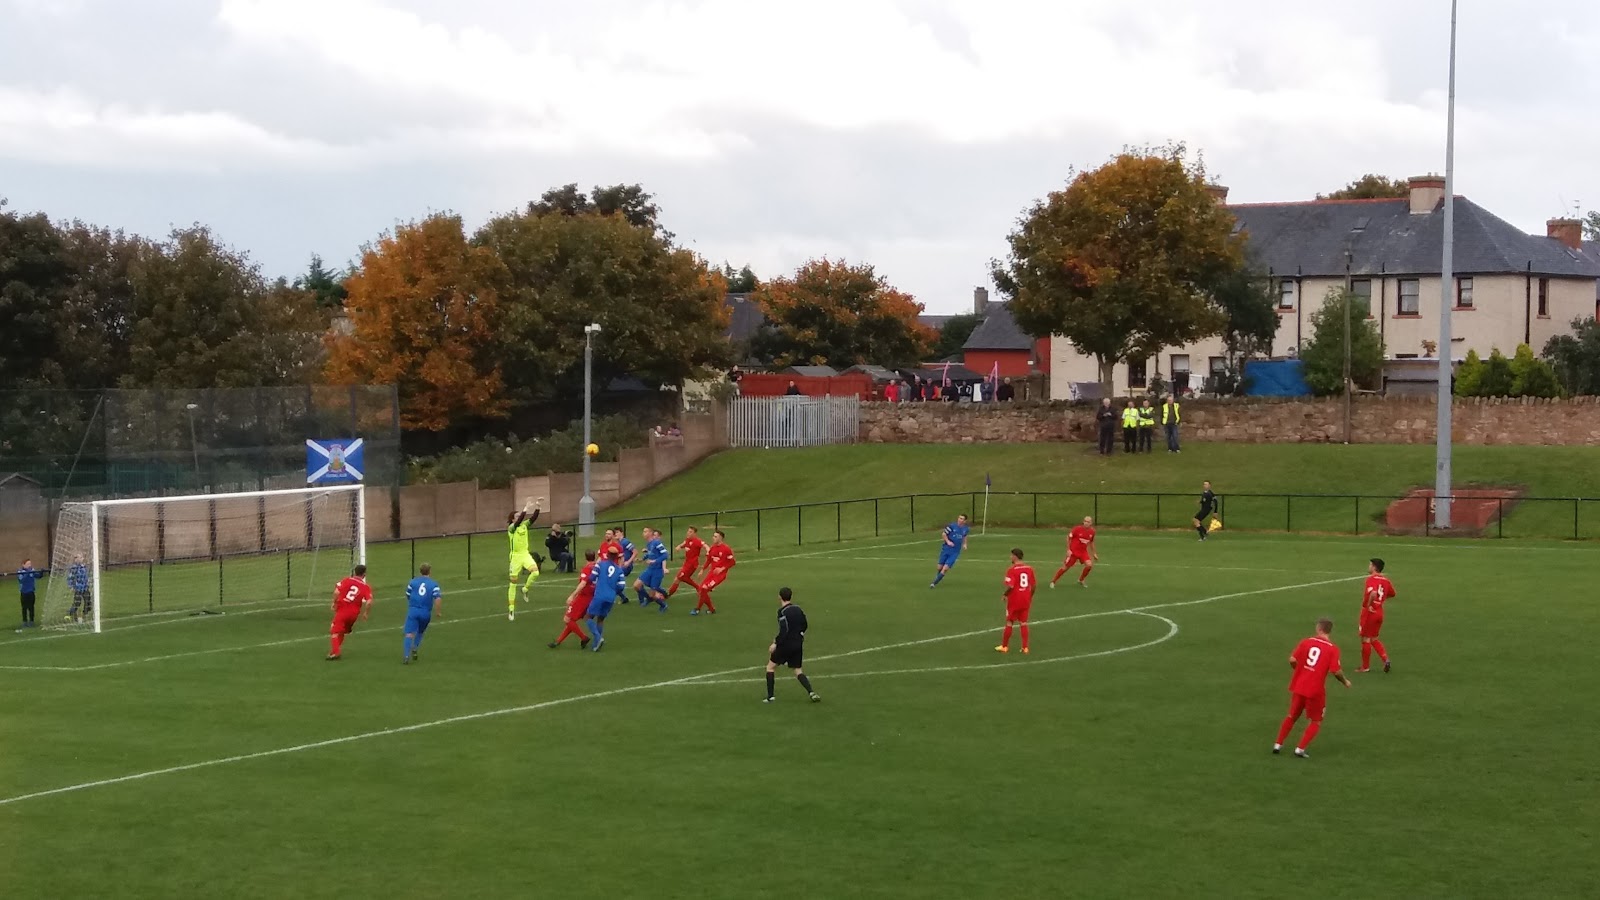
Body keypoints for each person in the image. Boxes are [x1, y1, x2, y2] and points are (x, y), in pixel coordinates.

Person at [1274, 617, 1353, 758]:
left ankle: (1278, 744)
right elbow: (1336, 671)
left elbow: (1292, 659)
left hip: (1299, 686)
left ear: (1319, 628)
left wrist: (1299, 670)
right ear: (1329, 631)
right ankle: (1300, 749)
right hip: (1315, 690)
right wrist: (1345, 681)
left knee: (1291, 716)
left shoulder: (1306, 642)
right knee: (1316, 721)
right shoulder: (1333, 649)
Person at [765, 587, 820, 703]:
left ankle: (770, 697)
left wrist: (775, 643)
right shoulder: (798, 609)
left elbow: (784, 630)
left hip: (786, 644)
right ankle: (811, 692)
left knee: (770, 667)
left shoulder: (782, 612)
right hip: (798, 643)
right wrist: (800, 633)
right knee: (798, 670)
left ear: (779, 597)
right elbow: (805, 624)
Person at [505, 496, 544, 621]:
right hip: (515, 557)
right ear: (512, 519)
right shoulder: (511, 528)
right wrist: (525, 508)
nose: (520, 518)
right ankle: (511, 609)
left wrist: (537, 506)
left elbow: (533, 519)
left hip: (525, 554)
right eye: (516, 516)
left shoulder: (524, 525)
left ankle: (525, 588)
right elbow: (518, 521)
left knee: (536, 572)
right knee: (513, 583)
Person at [549, 551, 595, 649]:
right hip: (592, 597)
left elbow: (583, 584)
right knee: (572, 621)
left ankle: (584, 637)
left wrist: (572, 595)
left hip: (583, 597)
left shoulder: (587, 569)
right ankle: (558, 641)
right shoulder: (597, 567)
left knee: (567, 619)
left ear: (585, 558)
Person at [326, 564, 373, 660]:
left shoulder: (346, 580)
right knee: (342, 631)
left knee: (334, 630)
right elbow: (369, 602)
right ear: (364, 575)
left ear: (354, 572)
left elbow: (336, 592)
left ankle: (336, 652)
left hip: (343, 610)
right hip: (354, 614)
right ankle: (334, 650)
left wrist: (334, 602)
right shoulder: (366, 587)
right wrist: (366, 613)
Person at [995, 548, 1037, 654]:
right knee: (1023, 622)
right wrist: (1029, 596)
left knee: (1009, 622)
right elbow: (1034, 585)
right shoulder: (1029, 568)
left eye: (1011, 555)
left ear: (1015, 556)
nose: (1010, 557)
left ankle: (1004, 646)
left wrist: (1005, 594)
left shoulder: (1012, 570)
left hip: (1015, 599)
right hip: (1026, 599)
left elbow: (1011, 585)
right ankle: (1025, 647)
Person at [586, 549, 628, 651]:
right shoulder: (619, 569)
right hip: (610, 597)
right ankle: (596, 645)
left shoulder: (600, 564)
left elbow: (592, 577)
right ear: (616, 557)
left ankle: (598, 637)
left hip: (599, 595)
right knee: (601, 619)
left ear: (607, 555)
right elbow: (622, 586)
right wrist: (613, 590)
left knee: (588, 617)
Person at [1358, 558, 1395, 673]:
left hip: (1370, 612)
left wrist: (1369, 605)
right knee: (1374, 638)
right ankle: (1385, 659)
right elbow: (1392, 594)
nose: (1369, 567)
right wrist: (1381, 600)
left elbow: (1373, 593)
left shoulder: (1371, 579)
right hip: (1379, 612)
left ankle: (1365, 667)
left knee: (1365, 639)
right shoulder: (1386, 580)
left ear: (1374, 567)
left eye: (1370, 565)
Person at [402, 564, 442, 664]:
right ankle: (415, 647)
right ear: (430, 572)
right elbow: (437, 598)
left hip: (413, 610)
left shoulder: (413, 582)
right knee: (420, 631)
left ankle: (406, 656)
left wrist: (412, 603)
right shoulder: (434, 584)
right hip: (425, 612)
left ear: (420, 571)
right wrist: (438, 612)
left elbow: (407, 595)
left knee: (409, 634)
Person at [694, 530, 735, 615]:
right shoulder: (712, 548)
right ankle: (711, 609)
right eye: (713, 536)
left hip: (720, 575)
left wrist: (722, 569)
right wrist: (702, 570)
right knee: (700, 591)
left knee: (704, 589)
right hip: (711, 573)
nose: (713, 538)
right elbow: (708, 560)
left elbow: (732, 562)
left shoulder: (726, 549)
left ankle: (697, 609)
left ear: (720, 538)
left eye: (715, 536)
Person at [1051, 516, 1098, 588]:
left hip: (1083, 552)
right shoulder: (1077, 529)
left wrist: (1094, 553)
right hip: (1073, 552)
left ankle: (1081, 580)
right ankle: (1053, 581)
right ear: (1083, 521)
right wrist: (1068, 549)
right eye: (1085, 521)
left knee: (1089, 565)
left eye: (1088, 522)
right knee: (1065, 568)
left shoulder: (1092, 532)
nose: (1086, 523)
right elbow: (1068, 538)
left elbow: (1091, 542)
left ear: (1091, 523)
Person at [929, 513, 971, 588]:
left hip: (955, 552)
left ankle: (934, 583)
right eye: (959, 518)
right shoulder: (951, 526)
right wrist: (948, 541)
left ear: (965, 521)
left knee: (945, 569)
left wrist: (965, 544)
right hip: (946, 549)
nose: (960, 520)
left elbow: (964, 536)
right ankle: (939, 577)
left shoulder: (965, 529)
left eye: (962, 519)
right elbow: (944, 534)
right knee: (939, 567)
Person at [633, 527, 670, 611]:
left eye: (645, 531)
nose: (643, 533)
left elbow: (665, 554)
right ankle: (649, 598)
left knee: (652, 594)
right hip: (650, 569)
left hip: (657, 571)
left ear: (650, 533)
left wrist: (655, 561)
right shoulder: (649, 544)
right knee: (636, 585)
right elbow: (650, 553)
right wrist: (642, 559)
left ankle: (663, 605)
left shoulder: (657, 542)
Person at [668, 526, 705, 599]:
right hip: (686, 564)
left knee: (679, 578)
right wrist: (679, 547)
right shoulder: (687, 540)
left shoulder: (697, 541)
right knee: (682, 578)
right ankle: (698, 588)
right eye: (688, 531)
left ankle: (668, 595)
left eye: (690, 532)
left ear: (695, 533)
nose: (688, 533)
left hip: (692, 564)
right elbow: (683, 544)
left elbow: (705, 546)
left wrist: (708, 551)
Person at [64, 553, 91, 624]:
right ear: (76, 559)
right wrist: (71, 587)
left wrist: (88, 582)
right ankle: (70, 614)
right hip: (78, 587)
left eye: (82, 557)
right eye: (79, 557)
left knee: (88, 602)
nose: (81, 559)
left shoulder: (84, 567)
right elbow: (70, 578)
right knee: (77, 603)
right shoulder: (74, 568)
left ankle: (84, 615)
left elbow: (86, 576)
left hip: (85, 587)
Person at [13, 558, 39, 628]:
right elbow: (22, 580)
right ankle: (24, 621)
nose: (29, 565)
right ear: (23, 565)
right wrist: (27, 572)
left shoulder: (32, 570)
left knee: (31, 607)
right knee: (24, 608)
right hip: (24, 592)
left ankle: (31, 621)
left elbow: (38, 576)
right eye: (28, 564)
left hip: (31, 592)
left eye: (30, 564)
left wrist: (41, 572)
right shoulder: (20, 571)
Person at [615, 529, 638, 602]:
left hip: (626, 566)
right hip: (622, 566)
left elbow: (635, 552)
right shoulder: (619, 543)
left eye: (617, 532)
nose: (616, 534)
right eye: (615, 532)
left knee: (613, 580)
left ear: (622, 533)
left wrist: (628, 562)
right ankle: (623, 598)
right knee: (613, 581)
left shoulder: (625, 542)